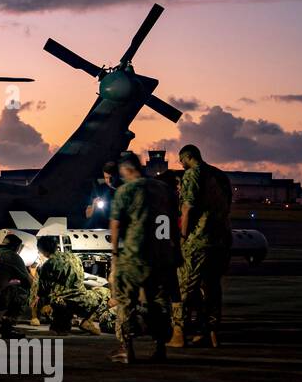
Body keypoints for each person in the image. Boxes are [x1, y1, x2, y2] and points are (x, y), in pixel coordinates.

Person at [108, 151, 173, 363]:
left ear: (127, 170)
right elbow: (169, 220)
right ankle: (160, 347)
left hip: (134, 255)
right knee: (158, 302)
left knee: (127, 301)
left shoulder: (125, 191)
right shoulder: (163, 189)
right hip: (161, 255)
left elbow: (116, 224)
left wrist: (115, 255)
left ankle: (127, 349)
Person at [176, 144, 232, 348]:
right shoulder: (220, 176)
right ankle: (211, 332)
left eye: (181, 160)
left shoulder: (192, 175)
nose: (181, 165)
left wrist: (183, 236)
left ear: (188, 157)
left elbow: (188, 208)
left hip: (199, 240)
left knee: (185, 287)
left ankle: (178, 332)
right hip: (222, 240)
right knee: (212, 288)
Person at [31, 235, 113, 335]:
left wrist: (41, 307)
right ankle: (88, 320)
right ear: (56, 246)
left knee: (59, 327)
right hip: (82, 300)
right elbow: (81, 278)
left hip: (61, 303)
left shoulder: (47, 266)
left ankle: (60, 323)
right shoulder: (75, 258)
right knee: (106, 292)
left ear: (42, 250)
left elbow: (42, 291)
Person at [85, 161, 119, 228]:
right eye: (106, 178)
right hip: (102, 230)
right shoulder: (99, 190)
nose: (109, 181)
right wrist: (94, 205)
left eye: (111, 177)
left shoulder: (124, 189)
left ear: (117, 175)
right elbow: (88, 215)